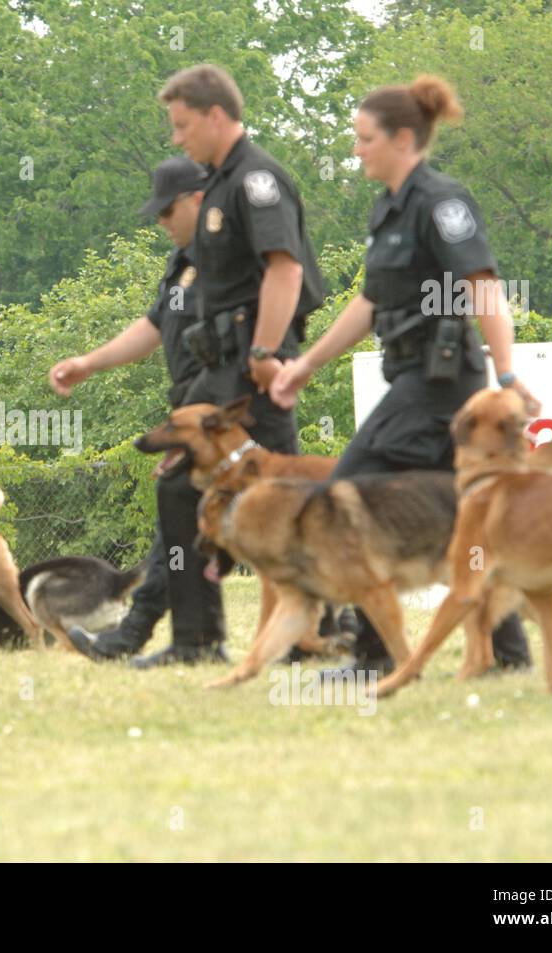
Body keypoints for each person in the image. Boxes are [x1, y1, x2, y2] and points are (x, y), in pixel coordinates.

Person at [269, 75, 536, 678]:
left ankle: (371, 653)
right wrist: (304, 367)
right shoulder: (388, 207)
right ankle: (508, 653)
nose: (356, 149)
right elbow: (369, 305)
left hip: (442, 385)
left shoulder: (442, 201)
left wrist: (510, 375)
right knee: (467, 518)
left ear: (403, 138)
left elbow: (482, 286)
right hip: (414, 379)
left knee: (345, 494)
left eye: (364, 138)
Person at [108, 64, 325, 669]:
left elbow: (286, 270)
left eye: (182, 126)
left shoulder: (256, 180)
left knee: (283, 491)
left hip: (250, 365)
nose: (177, 139)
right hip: (222, 367)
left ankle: (319, 625)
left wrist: (264, 352)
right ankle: (202, 639)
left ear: (215, 116)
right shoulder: (222, 183)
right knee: (191, 484)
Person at [49, 156, 209, 661]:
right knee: (186, 524)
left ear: (199, 200)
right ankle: (177, 640)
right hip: (194, 407)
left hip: (227, 410)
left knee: (265, 523)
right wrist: (88, 363)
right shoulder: (183, 261)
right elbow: (155, 326)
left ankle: (144, 636)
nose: (161, 221)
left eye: (168, 210)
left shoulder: (231, 256)